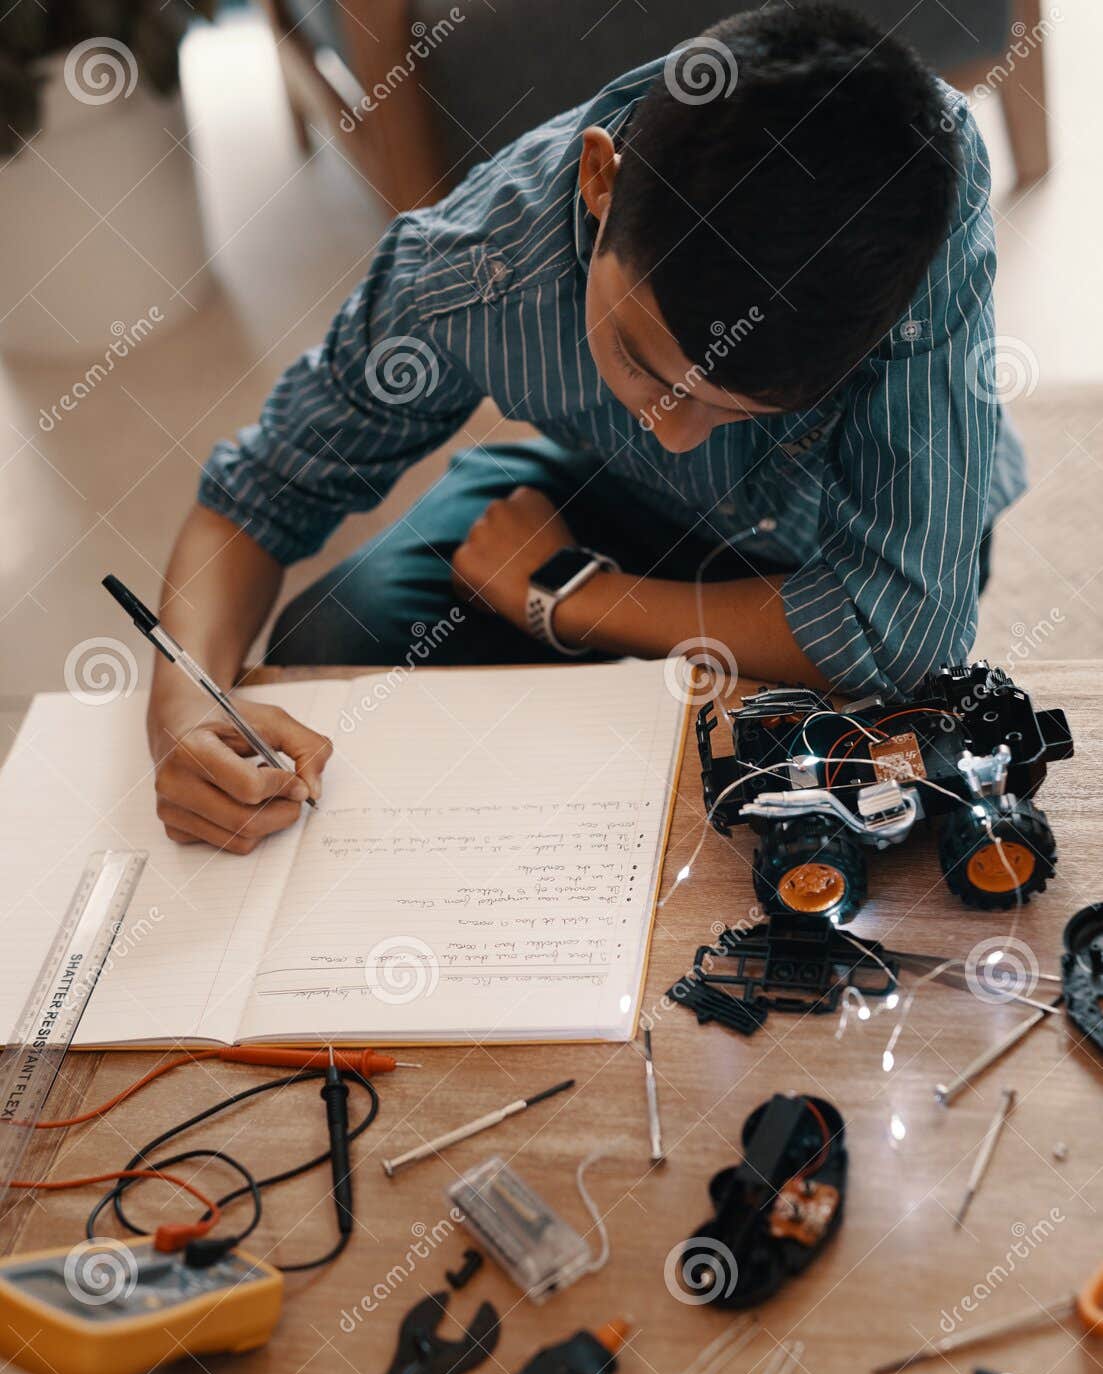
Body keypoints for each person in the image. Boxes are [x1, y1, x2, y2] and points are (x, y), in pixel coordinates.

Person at [148, 3, 1024, 854]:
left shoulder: (918, 206)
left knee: (867, 761)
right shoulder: (467, 273)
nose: (680, 432)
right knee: (335, 644)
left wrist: (570, 596)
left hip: (843, 536)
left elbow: (899, 629)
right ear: (599, 178)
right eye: (642, 363)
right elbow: (261, 497)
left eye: (745, 408)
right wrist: (186, 707)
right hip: (614, 495)